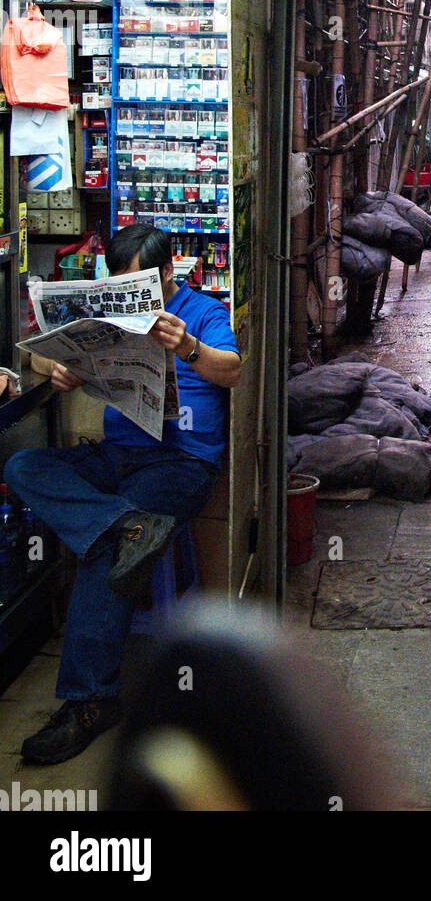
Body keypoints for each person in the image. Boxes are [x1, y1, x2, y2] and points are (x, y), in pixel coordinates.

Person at [3, 226, 241, 766]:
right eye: (120, 278)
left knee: (105, 550)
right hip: (117, 458)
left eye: (141, 279)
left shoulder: (200, 312)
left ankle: (90, 702)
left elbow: (232, 370)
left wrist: (188, 347)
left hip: (180, 465)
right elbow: (34, 358)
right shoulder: (108, 315)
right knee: (25, 466)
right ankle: (119, 524)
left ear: (164, 275)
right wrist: (54, 367)